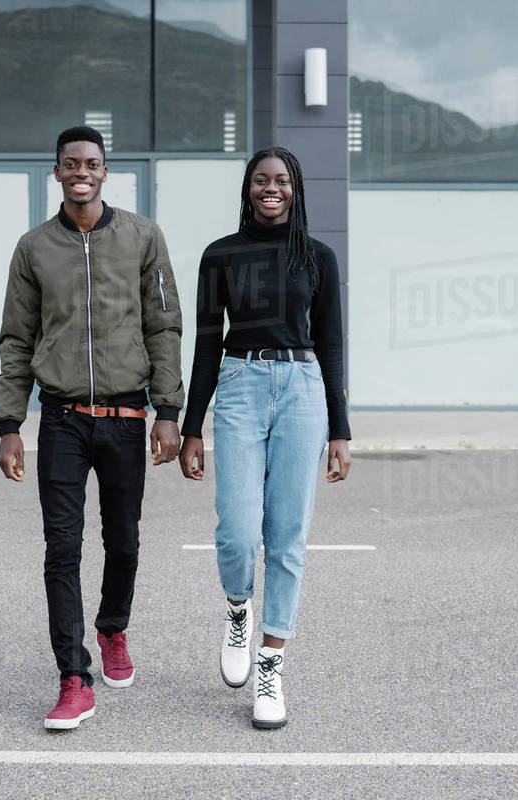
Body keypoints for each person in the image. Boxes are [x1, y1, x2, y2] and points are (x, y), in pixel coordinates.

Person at [0, 126, 184, 730]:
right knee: (62, 548)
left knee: (123, 540)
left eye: (92, 163)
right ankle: (73, 677)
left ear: (106, 171)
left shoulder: (143, 237)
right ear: (57, 172)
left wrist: (169, 412)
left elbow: (164, 328)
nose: (82, 171)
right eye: (71, 163)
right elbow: (17, 340)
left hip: (128, 418)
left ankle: (113, 630)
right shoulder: (33, 248)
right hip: (63, 422)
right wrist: (9, 422)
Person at [179, 146, 351, 729]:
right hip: (239, 383)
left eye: (281, 180)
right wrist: (191, 425)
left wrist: (340, 429)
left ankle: (271, 668)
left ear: (296, 189)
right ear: (248, 188)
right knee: (237, 528)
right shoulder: (220, 255)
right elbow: (205, 342)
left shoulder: (318, 258)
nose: (270, 188)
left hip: (303, 387)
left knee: (288, 537)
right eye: (261, 180)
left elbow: (331, 346)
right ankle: (237, 609)